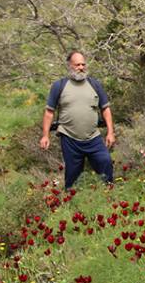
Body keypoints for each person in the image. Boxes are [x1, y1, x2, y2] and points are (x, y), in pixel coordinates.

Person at [39, 51, 116, 190]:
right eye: (77, 65)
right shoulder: (59, 86)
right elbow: (49, 112)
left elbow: (105, 109)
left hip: (93, 137)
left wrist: (110, 132)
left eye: (83, 64)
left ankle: (109, 194)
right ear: (70, 65)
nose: (81, 67)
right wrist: (45, 135)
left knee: (105, 162)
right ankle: (71, 199)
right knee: (72, 176)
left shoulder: (95, 84)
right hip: (69, 138)